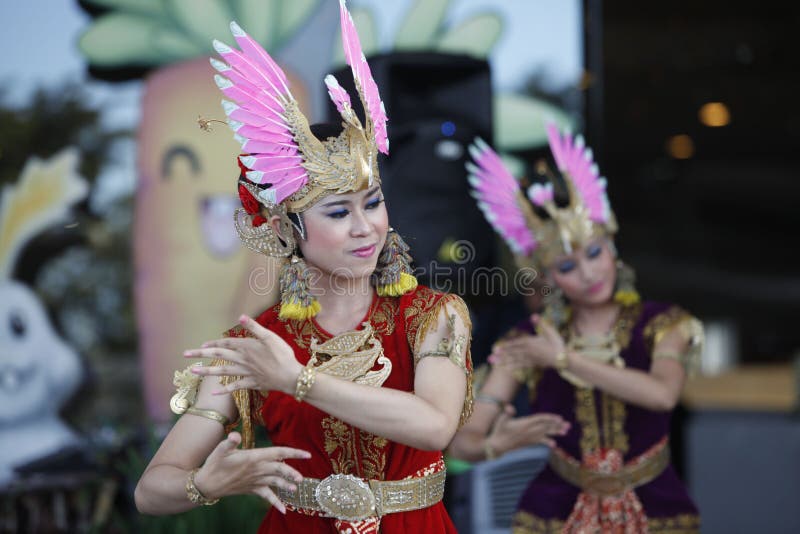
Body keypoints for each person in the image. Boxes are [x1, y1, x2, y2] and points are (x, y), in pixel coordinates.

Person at [134, 2, 473, 533]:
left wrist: (295, 379)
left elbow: (433, 426)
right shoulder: (257, 345)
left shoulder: (434, 315)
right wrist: (207, 484)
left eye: (374, 202)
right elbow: (151, 491)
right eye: (338, 212)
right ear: (287, 230)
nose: (366, 227)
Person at [448, 128, 703, 533]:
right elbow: (464, 442)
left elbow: (662, 395)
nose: (588, 274)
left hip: (655, 510)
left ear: (612, 244)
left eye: (595, 253)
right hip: (556, 513)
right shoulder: (528, 339)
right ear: (547, 275)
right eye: (567, 267)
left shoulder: (662, 323)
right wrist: (498, 443)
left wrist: (563, 360)